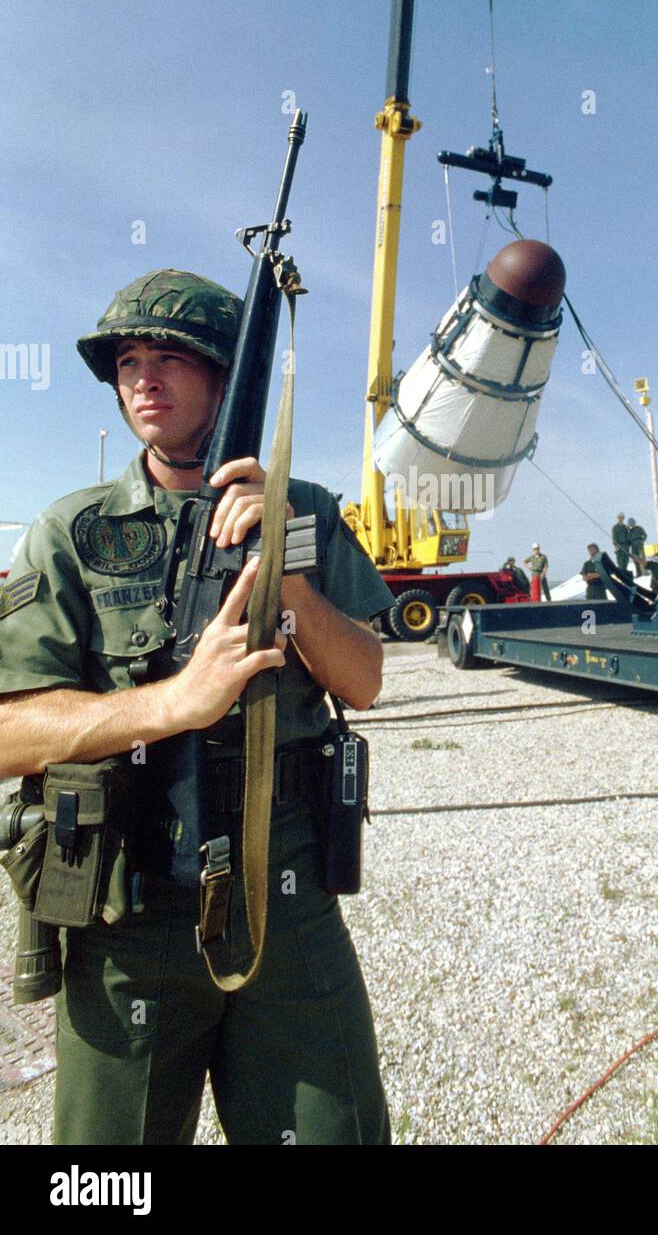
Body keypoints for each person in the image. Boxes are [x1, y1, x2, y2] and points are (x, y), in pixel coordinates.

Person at [0, 270, 395, 1146]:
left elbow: (363, 679)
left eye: (171, 359)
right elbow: (9, 731)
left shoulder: (306, 510)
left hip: (283, 894)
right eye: (129, 362)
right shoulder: (74, 530)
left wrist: (281, 570)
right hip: (127, 907)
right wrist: (173, 703)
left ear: (224, 379)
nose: (145, 379)